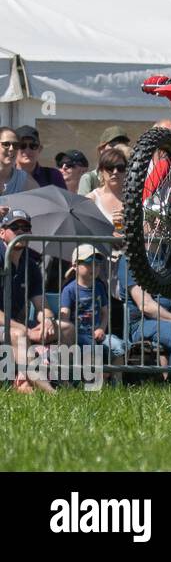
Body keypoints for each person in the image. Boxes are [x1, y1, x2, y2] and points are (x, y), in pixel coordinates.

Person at [0, 209, 56, 392]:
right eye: (15, 227)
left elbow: (41, 304)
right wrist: (24, 329)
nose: (21, 231)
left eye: (26, 227)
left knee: (66, 328)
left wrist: (47, 320)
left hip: (14, 324)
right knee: (19, 335)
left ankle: (60, 382)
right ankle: (51, 393)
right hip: (9, 326)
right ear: (2, 232)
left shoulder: (30, 265)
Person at [77, 126, 130, 195]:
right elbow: (82, 204)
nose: (117, 149)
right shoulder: (90, 179)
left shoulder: (130, 178)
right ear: (101, 149)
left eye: (122, 145)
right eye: (113, 145)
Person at [85, 148, 128, 232]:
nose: (115, 172)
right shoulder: (92, 199)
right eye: (110, 167)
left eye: (120, 168)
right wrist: (110, 234)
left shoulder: (133, 199)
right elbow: (85, 229)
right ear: (101, 170)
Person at [0, 126, 35, 195]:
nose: (11, 149)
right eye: (6, 144)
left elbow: (41, 201)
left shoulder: (23, 179)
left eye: (16, 145)